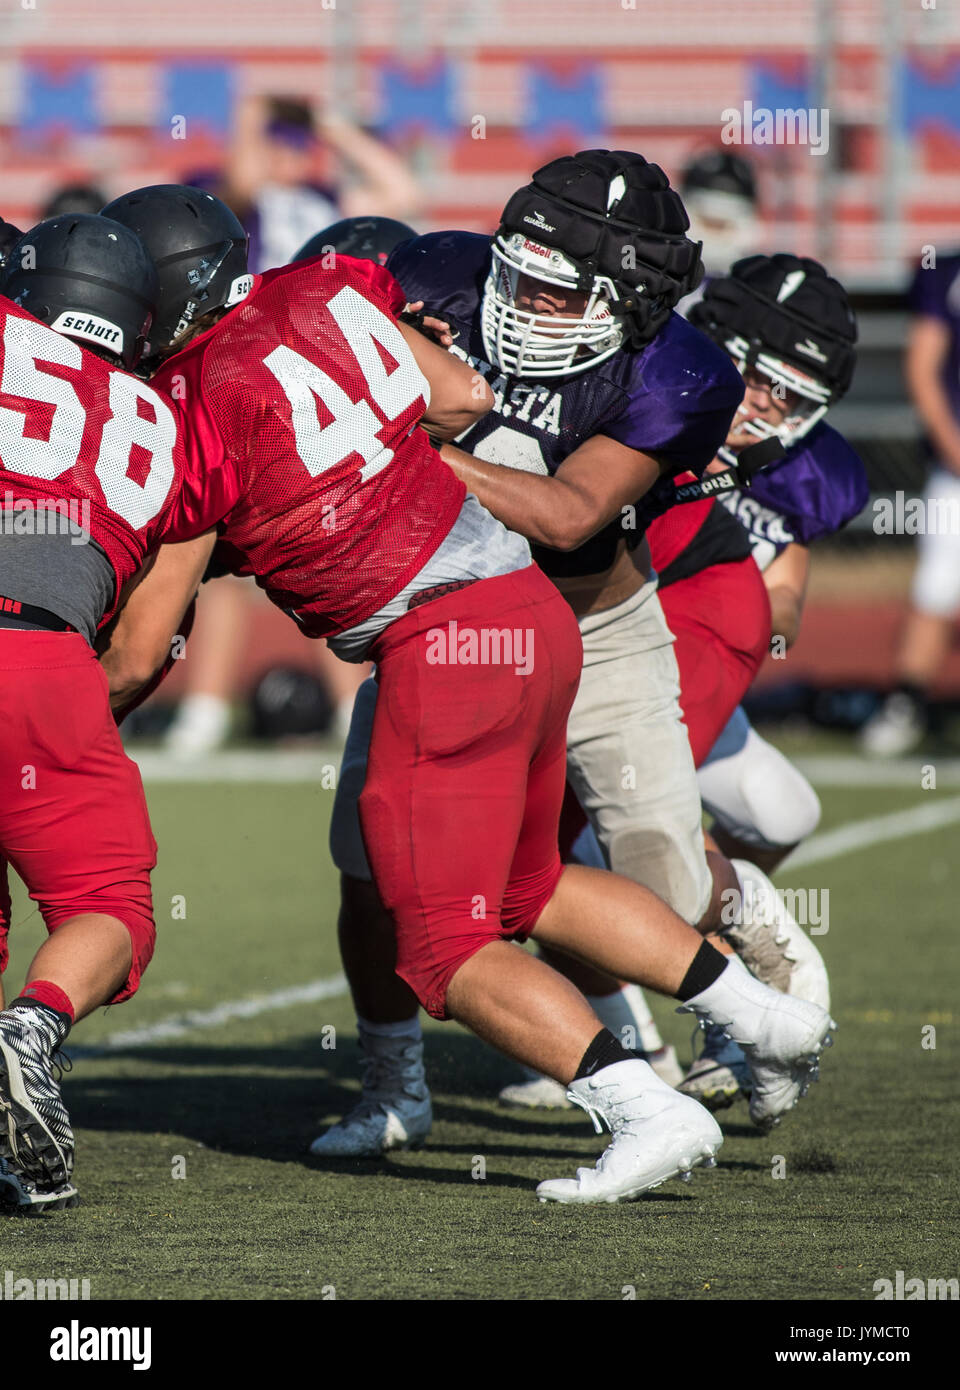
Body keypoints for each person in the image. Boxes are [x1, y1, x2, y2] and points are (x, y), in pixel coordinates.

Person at [98, 182, 834, 1205]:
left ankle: (641, 1105)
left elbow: (139, 652)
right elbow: (458, 395)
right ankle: (761, 1013)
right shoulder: (318, 287)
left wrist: (69, 725)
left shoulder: (186, 406)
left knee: (446, 942)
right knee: (528, 886)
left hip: (443, 647)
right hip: (527, 608)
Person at [306, 153, 826, 1148]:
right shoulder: (441, 274)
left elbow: (568, 509)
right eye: (521, 270)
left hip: (597, 629)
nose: (525, 300)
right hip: (445, 623)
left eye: (557, 287)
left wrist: (405, 447)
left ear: (628, 301)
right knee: (369, 866)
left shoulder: (679, 372)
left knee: (664, 887)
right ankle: (393, 1083)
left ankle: (748, 954)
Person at [0, 210, 232, 1211]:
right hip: (48, 653)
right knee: (109, 909)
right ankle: (32, 1028)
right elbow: (140, 649)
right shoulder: (163, 426)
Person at [670, 254, 868, 1105]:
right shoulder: (660, 409)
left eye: (785, 394)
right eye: (750, 375)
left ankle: (698, 927)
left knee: (787, 811)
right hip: (616, 680)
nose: (758, 404)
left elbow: (786, 586)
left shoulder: (801, 473)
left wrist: (762, 612)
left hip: (700, 686)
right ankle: (629, 1024)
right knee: (656, 847)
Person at [861, 250, 960, 755]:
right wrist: (955, 450)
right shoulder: (945, 273)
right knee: (937, 585)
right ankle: (908, 702)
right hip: (956, 470)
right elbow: (923, 368)